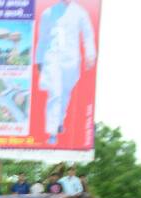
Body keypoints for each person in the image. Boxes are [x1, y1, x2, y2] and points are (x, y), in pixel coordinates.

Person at [36, 0, 98, 144]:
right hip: (52, 58)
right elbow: (42, 39)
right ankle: (52, 132)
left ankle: (59, 122)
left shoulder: (81, 13)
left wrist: (90, 54)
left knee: (64, 93)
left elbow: (88, 35)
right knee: (55, 93)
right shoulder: (48, 13)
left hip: (71, 60)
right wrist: (39, 60)